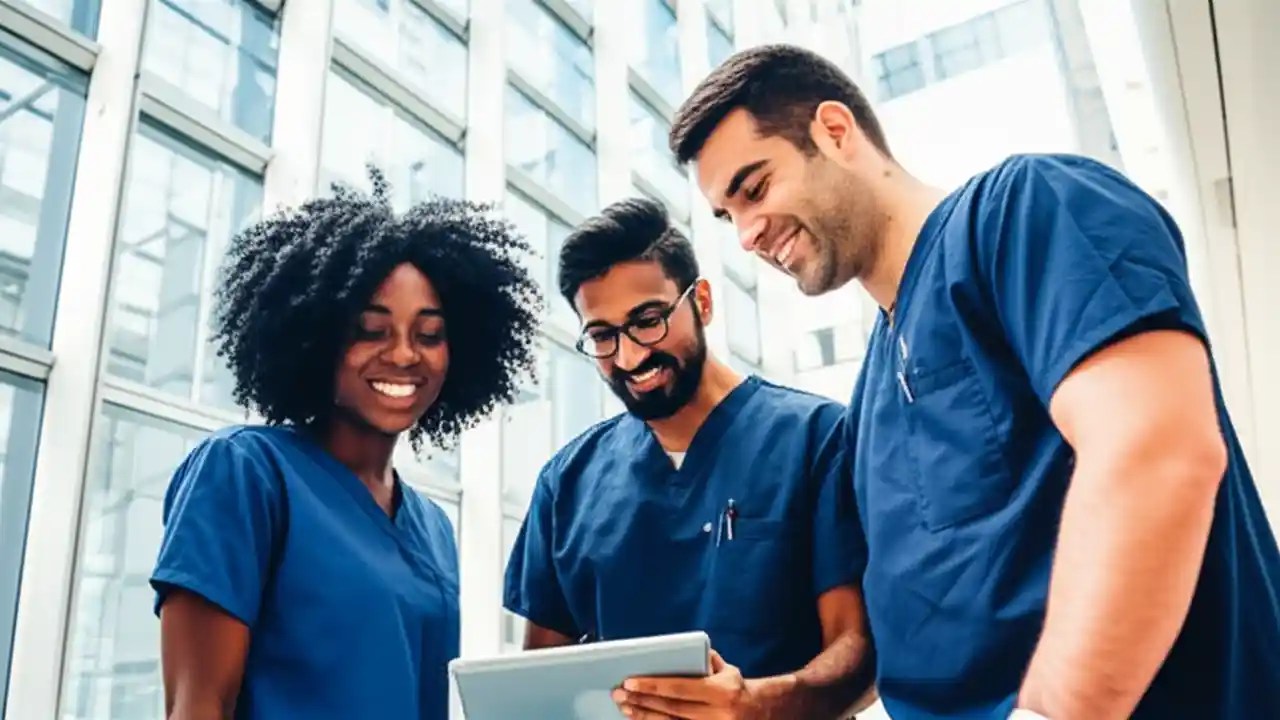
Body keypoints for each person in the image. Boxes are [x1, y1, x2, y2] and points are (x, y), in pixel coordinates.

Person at [668, 42, 1280, 719]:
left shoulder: (1025, 210)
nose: (747, 235)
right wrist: (764, 704)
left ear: (835, 132)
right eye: (728, 217)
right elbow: (899, 639)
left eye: (753, 189)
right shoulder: (868, 403)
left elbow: (1157, 453)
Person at [150, 172, 541, 720]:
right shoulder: (245, 472)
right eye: (370, 330)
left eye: (429, 335)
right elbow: (198, 708)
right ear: (314, 337)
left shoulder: (431, 526)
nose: (405, 356)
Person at [502, 197, 876, 719]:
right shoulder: (566, 483)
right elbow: (541, 692)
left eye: (648, 320)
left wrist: (756, 707)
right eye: (603, 336)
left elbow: (859, 652)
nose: (630, 356)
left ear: (701, 301)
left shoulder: (818, 439)